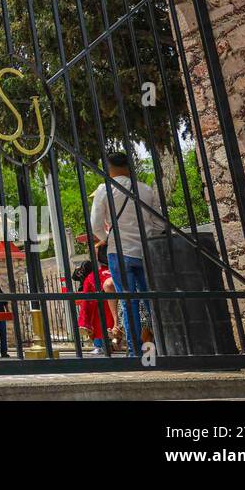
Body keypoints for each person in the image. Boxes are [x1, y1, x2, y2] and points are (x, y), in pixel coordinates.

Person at [90, 151, 163, 356]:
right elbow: (159, 223)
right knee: (152, 301)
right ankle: (163, 345)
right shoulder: (146, 190)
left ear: (108, 168)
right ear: (130, 167)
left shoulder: (104, 190)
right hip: (145, 251)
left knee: (128, 301)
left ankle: (135, 352)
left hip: (119, 251)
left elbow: (95, 225)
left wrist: (107, 236)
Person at [74, 260, 113, 354]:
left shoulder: (90, 277)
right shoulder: (107, 273)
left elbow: (75, 278)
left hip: (93, 303)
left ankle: (100, 346)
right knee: (106, 324)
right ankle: (107, 345)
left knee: (96, 324)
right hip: (109, 302)